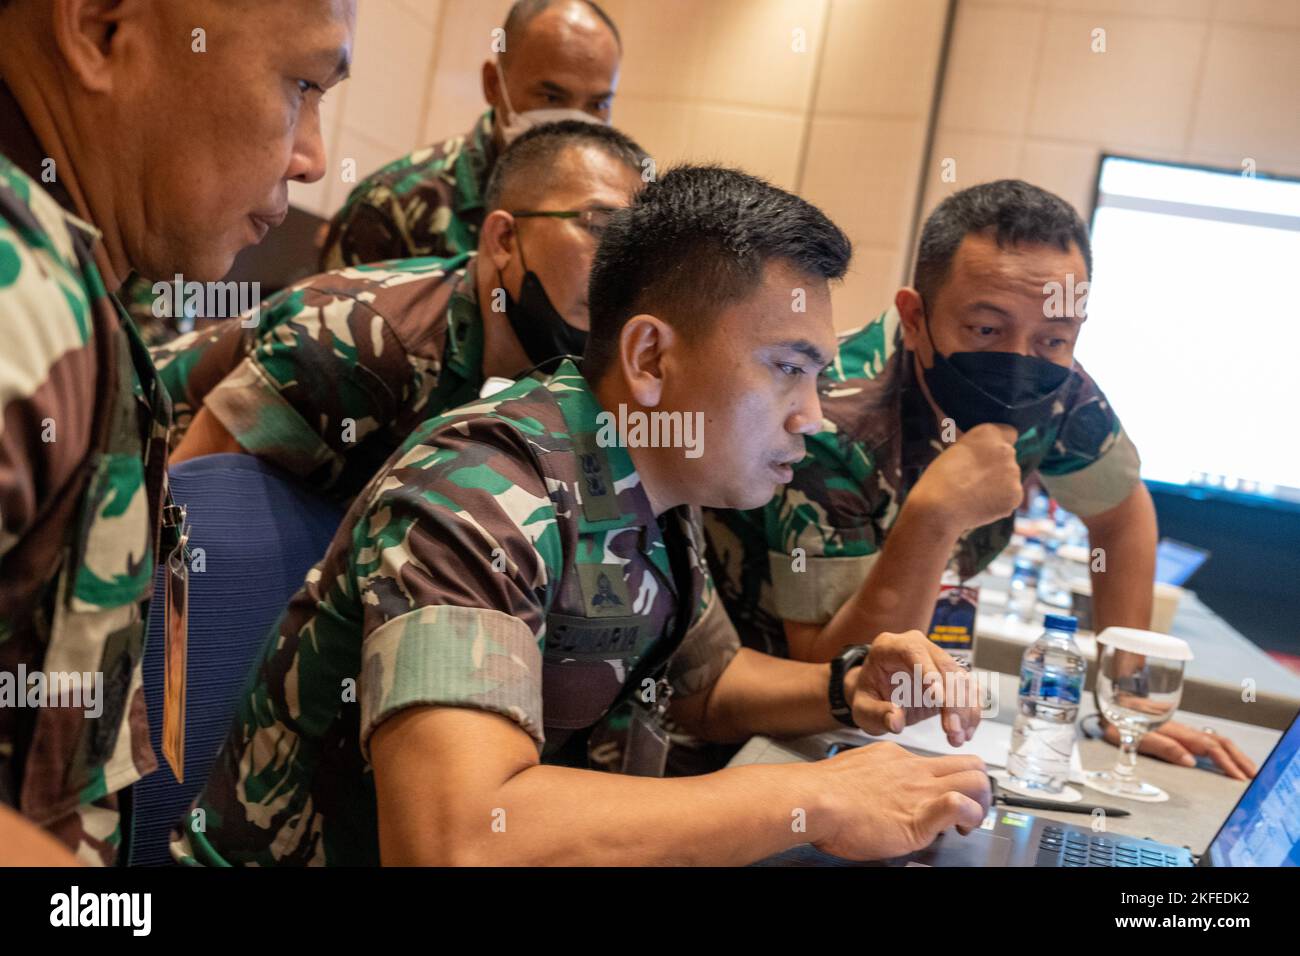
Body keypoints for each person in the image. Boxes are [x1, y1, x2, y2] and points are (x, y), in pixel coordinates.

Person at [171, 164, 990, 867]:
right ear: (649, 359)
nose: (812, 414)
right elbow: (458, 837)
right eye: (786, 369)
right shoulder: (482, 490)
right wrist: (815, 798)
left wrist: (847, 688)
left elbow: (701, 682)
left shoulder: (649, 476)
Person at [705, 179, 1258, 780]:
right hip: (745, 731)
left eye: (1053, 338)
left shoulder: (1061, 389)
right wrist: (934, 516)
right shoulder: (828, 420)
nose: (1022, 362)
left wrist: (1124, 702)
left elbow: (1120, 515)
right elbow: (846, 676)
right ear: (914, 318)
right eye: (987, 331)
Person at [0, 0, 354, 864]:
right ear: (99, 28)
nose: (311, 157)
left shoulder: (78, 277)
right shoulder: (22, 296)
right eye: (301, 83)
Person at [155, 121, 647, 504]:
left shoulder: (580, 377)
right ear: (503, 239)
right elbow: (182, 517)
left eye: (637, 246)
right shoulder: (360, 338)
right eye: (601, 228)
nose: (621, 266)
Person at [318, 0, 622, 271]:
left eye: (598, 104)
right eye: (551, 97)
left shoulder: (616, 222)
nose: (576, 124)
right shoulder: (391, 207)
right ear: (492, 85)